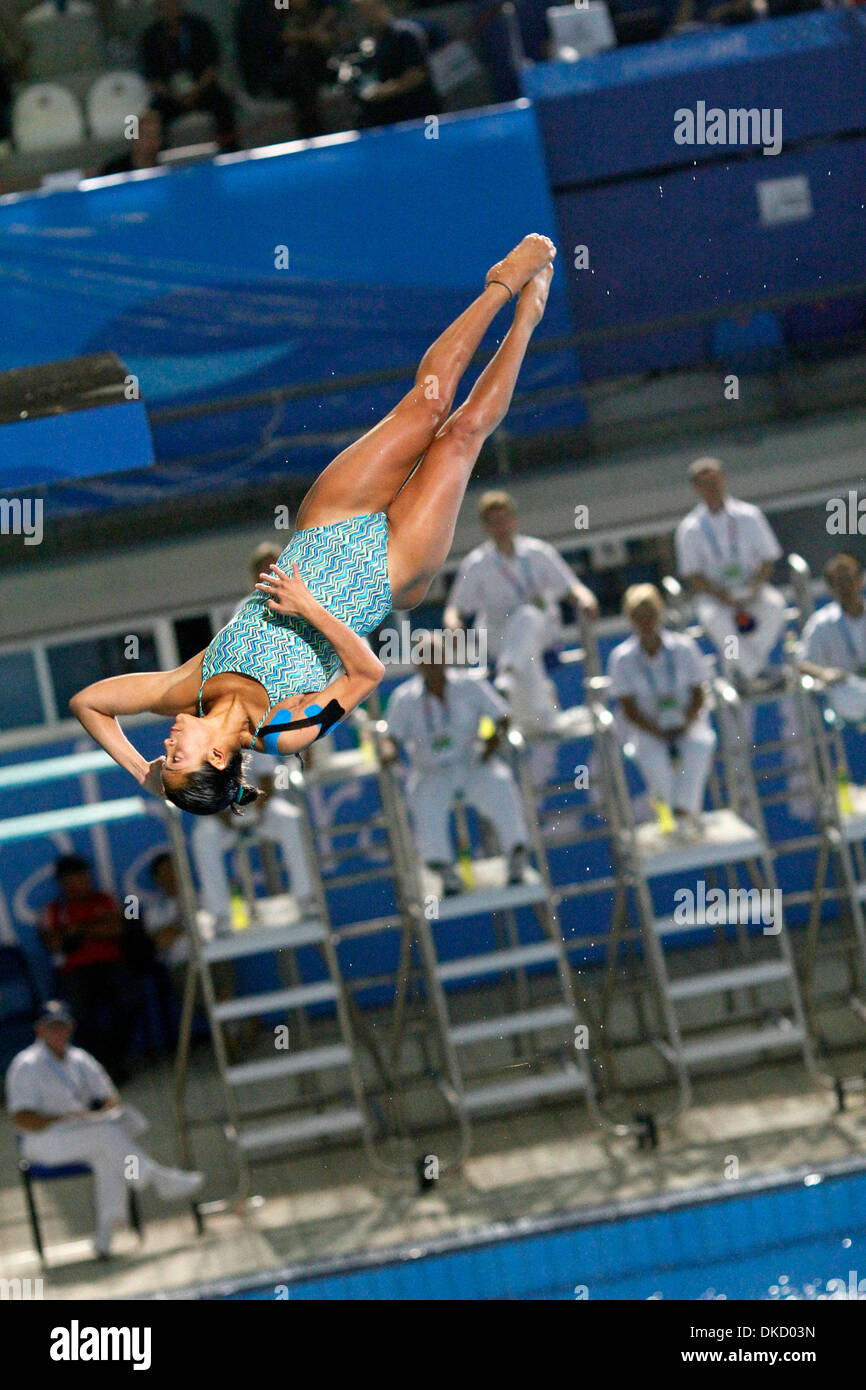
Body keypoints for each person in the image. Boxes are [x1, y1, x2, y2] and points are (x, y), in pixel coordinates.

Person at [69, 234, 558, 817]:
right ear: (219, 759)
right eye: (175, 758)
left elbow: (89, 703)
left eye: (163, 755)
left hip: (327, 528)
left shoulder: (187, 687)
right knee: (458, 436)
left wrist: (144, 776)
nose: (165, 746)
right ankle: (526, 321)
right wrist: (307, 607)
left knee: (424, 407)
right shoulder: (286, 732)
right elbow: (367, 671)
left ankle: (501, 285)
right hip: (388, 571)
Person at [5, 1001, 203, 1259]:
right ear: (39, 1030)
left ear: (70, 1028)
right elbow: (22, 1119)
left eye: (61, 1026)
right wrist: (65, 1118)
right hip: (44, 1141)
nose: (57, 1032)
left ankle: (104, 1240)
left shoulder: (80, 1059)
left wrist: (94, 1114)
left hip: (85, 1134)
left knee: (108, 1152)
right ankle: (157, 1178)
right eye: (51, 1027)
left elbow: (111, 1097)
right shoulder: (26, 1064)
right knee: (107, 1137)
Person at [383, 632, 530, 893]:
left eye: (435, 656)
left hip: (471, 761)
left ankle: (515, 855)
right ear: (417, 663)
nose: (431, 664)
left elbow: (502, 716)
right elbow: (390, 737)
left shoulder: (469, 685)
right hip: (431, 769)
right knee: (423, 796)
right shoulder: (404, 698)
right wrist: (387, 752)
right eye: (424, 658)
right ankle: (443, 870)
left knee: (500, 782)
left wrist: (490, 746)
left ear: (445, 657)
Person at [444, 490, 598, 732]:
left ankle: (509, 677)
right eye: (494, 522)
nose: (501, 526)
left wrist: (586, 600)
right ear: (485, 527)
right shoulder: (476, 563)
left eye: (504, 519)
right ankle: (545, 718)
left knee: (528, 617)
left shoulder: (538, 552)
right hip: (499, 637)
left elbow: (572, 588)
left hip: (542, 632)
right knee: (526, 654)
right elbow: (455, 608)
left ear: (514, 520)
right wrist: (453, 624)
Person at [608, 584, 716, 831]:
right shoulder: (621, 658)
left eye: (650, 616)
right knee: (652, 759)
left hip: (687, 721)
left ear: (660, 614)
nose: (646, 623)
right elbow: (628, 708)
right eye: (639, 618)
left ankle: (684, 812)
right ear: (630, 620)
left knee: (700, 744)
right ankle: (671, 819)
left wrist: (686, 722)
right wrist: (657, 729)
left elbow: (699, 692)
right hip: (648, 728)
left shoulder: (683, 647)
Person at [674, 457, 787, 687]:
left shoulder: (749, 515)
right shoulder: (689, 528)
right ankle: (756, 671)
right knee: (717, 621)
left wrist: (755, 586)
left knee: (775, 605)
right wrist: (719, 594)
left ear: (723, 480)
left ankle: (740, 669)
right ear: (696, 488)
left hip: (751, 587)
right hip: (715, 596)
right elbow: (692, 574)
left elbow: (768, 557)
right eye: (704, 483)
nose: (711, 487)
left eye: (714, 480)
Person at [38, 855, 133, 1078]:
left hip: (111, 964)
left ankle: (116, 1059)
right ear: (63, 882)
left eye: (84, 875)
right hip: (75, 971)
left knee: (129, 1000)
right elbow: (53, 944)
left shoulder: (106, 899)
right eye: (75, 878)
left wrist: (81, 931)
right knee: (77, 1012)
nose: (83, 881)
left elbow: (119, 928)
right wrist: (84, 932)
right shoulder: (54, 909)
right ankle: (98, 1066)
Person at [140, 0, 238, 152]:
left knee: (224, 106)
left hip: (202, 88)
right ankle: (158, 162)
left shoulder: (199, 26)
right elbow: (152, 79)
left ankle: (232, 154)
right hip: (170, 95)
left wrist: (196, 90)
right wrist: (175, 96)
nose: (170, 8)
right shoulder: (150, 36)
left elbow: (212, 66)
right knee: (153, 118)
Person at [234, 0, 337, 138]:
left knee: (309, 62)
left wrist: (311, 14)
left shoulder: (280, 3)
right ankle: (312, 131)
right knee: (300, 76)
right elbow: (277, 36)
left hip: (291, 69)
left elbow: (292, 13)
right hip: (264, 77)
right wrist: (312, 35)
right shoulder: (251, 9)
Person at [799, 553, 866, 725]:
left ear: (860, 581)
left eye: (849, 581)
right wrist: (824, 673)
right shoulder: (821, 622)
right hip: (847, 688)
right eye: (839, 584)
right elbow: (803, 663)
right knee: (849, 692)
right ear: (830, 589)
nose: (846, 588)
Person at [352, 0, 440, 128]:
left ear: (381, 6)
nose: (366, 15)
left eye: (369, 9)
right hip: (392, 119)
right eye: (362, 12)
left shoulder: (404, 34)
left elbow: (417, 75)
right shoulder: (372, 41)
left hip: (418, 116)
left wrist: (382, 91)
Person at [101, 107, 165, 176]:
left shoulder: (165, 169)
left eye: (155, 135)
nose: (150, 141)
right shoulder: (113, 171)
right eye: (145, 134)